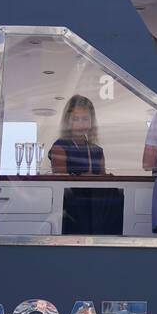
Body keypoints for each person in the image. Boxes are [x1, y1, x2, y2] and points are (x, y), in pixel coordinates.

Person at [50, 95, 122, 235]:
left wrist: (107, 177)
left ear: (91, 121)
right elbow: (59, 181)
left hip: (98, 208)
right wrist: (82, 177)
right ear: (68, 121)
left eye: (85, 119)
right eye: (76, 119)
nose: (81, 124)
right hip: (72, 208)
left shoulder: (97, 150)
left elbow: (102, 178)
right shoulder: (60, 147)